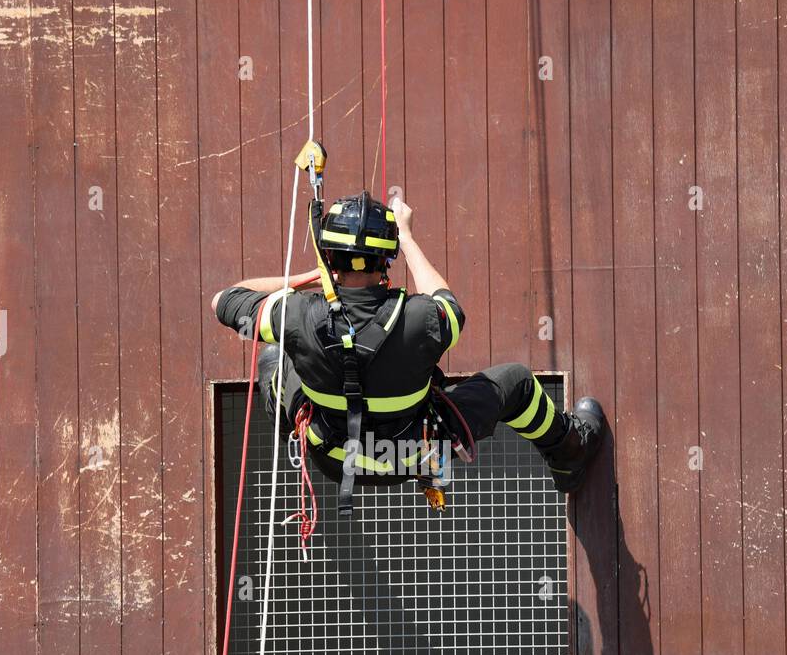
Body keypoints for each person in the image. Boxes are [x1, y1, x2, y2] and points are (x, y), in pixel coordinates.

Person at [212, 192, 604, 513]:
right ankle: (568, 452)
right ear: (388, 258)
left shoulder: (295, 314)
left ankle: (289, 424)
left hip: (333, 458)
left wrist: (312, 277)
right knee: (517, 383)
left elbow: (224, 299)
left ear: (329, 257)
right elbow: (449, 306)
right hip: (410, 454)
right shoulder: (419, 317)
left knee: (274, 355)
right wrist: (409, 238)